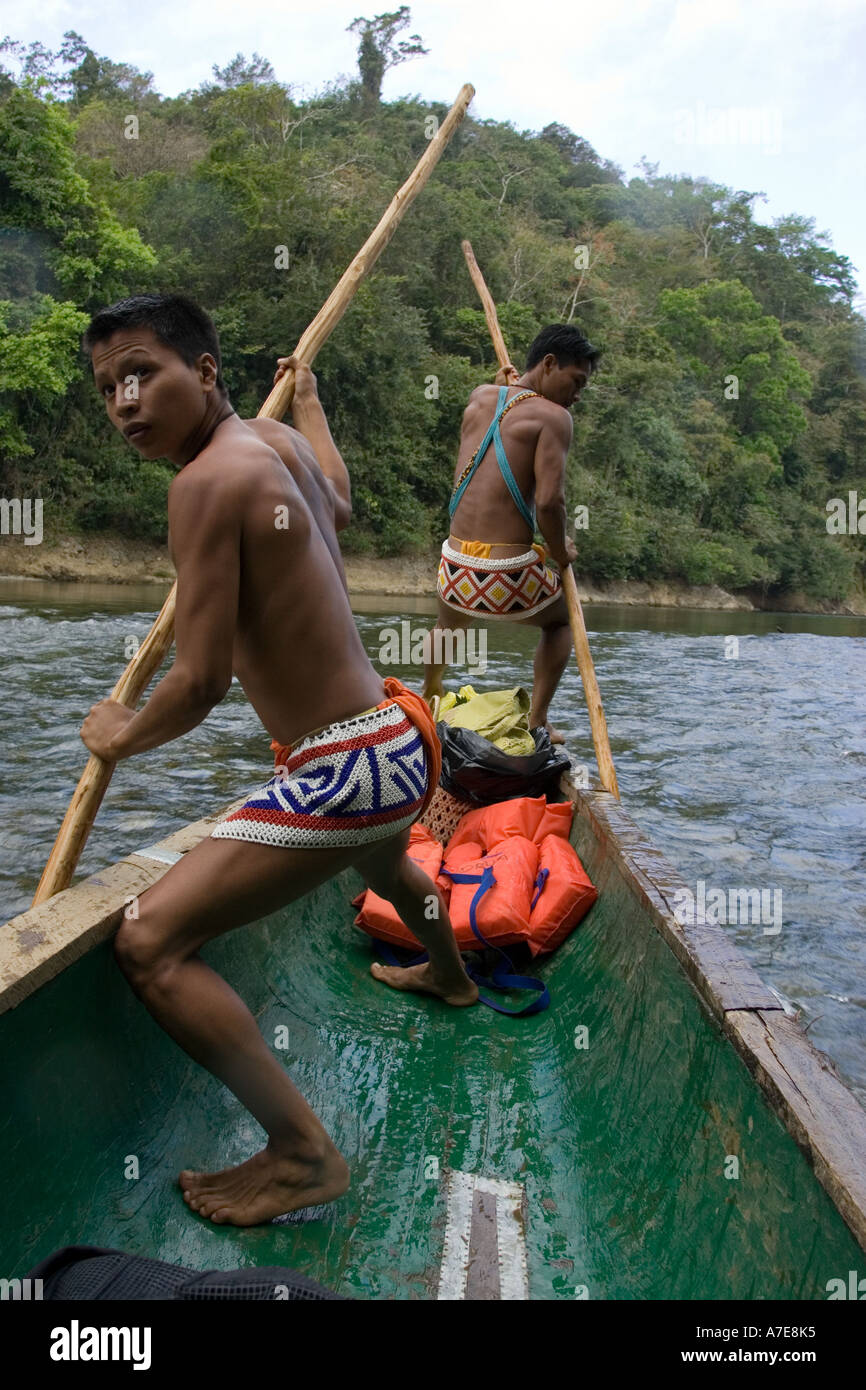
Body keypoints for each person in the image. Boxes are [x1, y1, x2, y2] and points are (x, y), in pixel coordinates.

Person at [79, 293, 477, 1228]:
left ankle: (302, 1153)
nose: (126, 402)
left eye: (144, 374)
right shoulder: (274, 444)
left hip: (345, 764)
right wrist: (308, 406)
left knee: (149, 942)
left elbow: (201, 681)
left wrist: (118, 732)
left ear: (205, 371)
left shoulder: (203, 484)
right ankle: (453, 975)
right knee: (389, 858)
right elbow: (335, 495)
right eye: (108, 389)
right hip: (399, 741)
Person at [422, 324, 601, 742]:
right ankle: (538, 720)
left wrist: (514, 387)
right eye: (576, 382)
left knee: (446, 624)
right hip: (503, 576)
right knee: (560, 624)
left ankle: (430, 690)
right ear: (550, 364)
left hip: (454, 570)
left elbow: (507, 409)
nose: (577, 395)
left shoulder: (481, 397)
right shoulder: (556, 418)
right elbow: (549, 504)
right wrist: (560, 551)